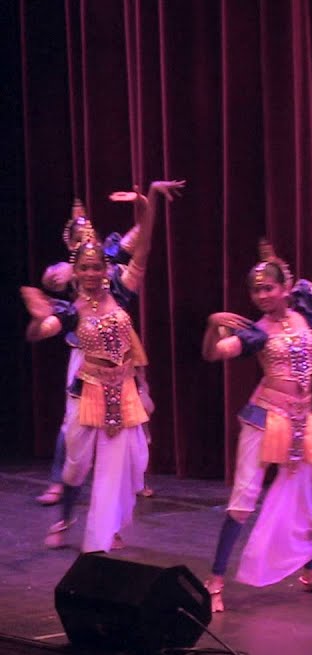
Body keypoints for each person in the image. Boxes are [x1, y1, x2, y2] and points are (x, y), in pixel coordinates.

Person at [200, 211, 312, 612]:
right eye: (257, 293)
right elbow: (213, 354)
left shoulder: (306, 310)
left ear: (286, 287)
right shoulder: (255, 332)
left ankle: (310, 572)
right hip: (264, 418)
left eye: (269, 289)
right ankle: (215, 581)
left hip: (303, 420)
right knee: (243, 499)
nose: (263, 297)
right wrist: (211, 325)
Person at [20, 180, 184, 552]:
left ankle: (105, 528)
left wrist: (151, 198)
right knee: (77, 465)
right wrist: (35, 318)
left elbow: (142, 244)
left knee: (122, 464)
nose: (93, 273)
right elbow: (40, 331)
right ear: (76, 271)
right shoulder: (68, 301)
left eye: (98, 267)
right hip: (86, 382)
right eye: (86, 268)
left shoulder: (122, 287)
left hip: (122, 382)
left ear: (104, 268)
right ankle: (64, 515)